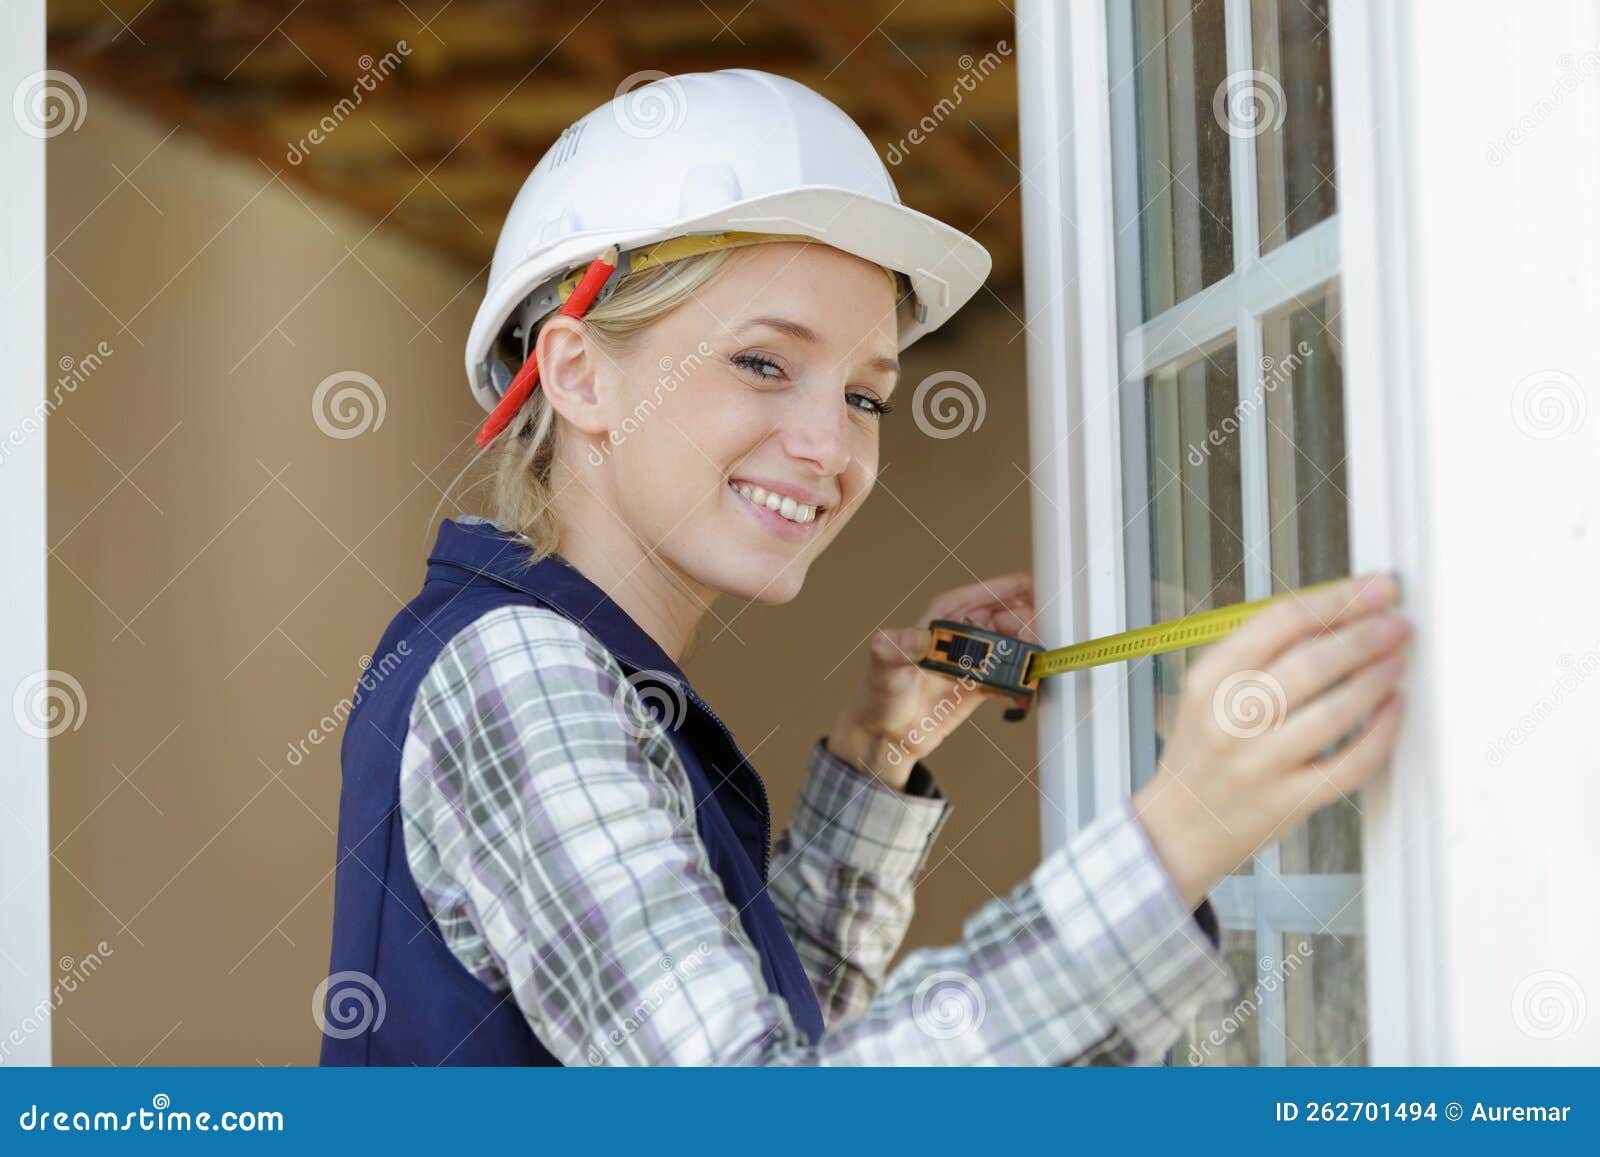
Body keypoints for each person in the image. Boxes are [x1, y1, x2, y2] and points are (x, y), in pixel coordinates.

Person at [319, 70, 1410, 1066]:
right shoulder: (521, 674)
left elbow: (761, 1039)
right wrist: (1179, 837)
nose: (830, 446)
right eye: (763, 362)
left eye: (863, 394)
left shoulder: (565, 665)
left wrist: (876, 761)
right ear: (579, 374)